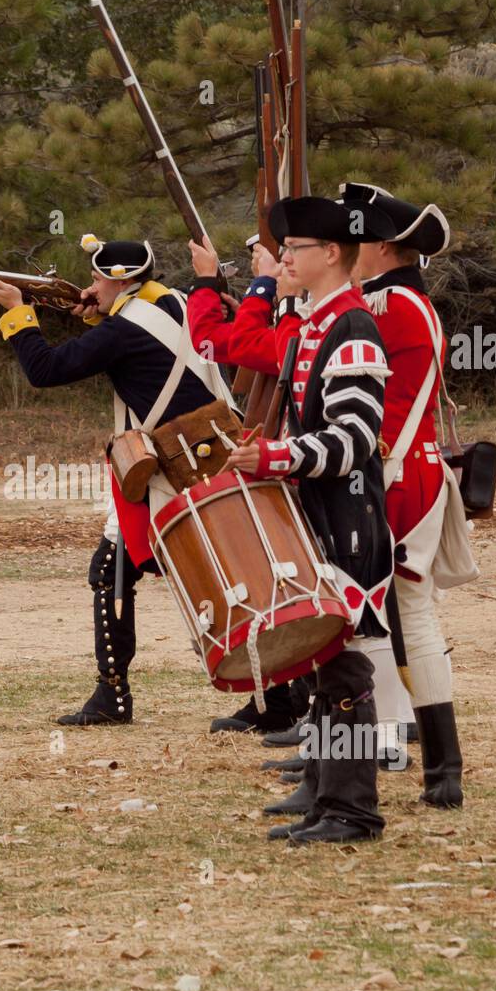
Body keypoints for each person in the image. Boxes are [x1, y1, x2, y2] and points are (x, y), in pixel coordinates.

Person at [0, 233, 231, 726]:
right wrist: (100, 310)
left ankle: (114, 696)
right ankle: (113, 694)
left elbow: (45, 369)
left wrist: (18, 312)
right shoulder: (173, 301)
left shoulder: (123, 329)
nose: (90, 286)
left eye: (98, 278)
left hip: (176, 467)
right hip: (205, 452)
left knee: (134, 572)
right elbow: (140, 336)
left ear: (119, 281)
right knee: (133, 570)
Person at [225, 196, 395, 843]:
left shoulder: (352, 328)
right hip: (321, 514)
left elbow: (353, 439)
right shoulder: (318, 325)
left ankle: (354, 811)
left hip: (348, 518)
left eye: (294, 248)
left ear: (330, 254)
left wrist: (273, 455)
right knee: (324, 659)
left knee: (344, 665)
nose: (283, 257)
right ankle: (327, 794)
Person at [344, 182, 478, 807]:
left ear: (383, 247)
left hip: (391, 474)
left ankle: (410, 757)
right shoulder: (394, 302)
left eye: (358, 238)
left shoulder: (387, 307)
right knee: (399, 619)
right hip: (404, 470)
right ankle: (430, 765)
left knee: (397, 618)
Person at [188, 232, 310, 736]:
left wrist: (255, 286)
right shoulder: (300, 316)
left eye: (287, 257)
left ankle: (314, 710)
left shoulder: (307, 321)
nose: (282, 264)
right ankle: (282, 700)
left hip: (301, 460)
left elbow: (219, 341)